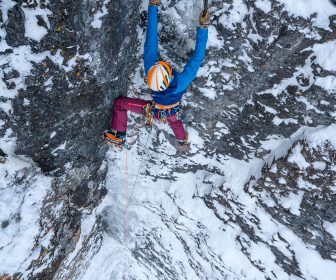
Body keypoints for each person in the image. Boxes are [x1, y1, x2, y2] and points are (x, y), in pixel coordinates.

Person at [103, 0, 209, 149]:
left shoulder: (151, 69)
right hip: (162, 111)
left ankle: (120, 135)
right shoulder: (180, 82)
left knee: (121, 104)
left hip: (155, 111)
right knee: (174, 121)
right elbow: (197, 58)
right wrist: (203, 28)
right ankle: (181, 140)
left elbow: (151, 40)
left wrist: (153, 6)